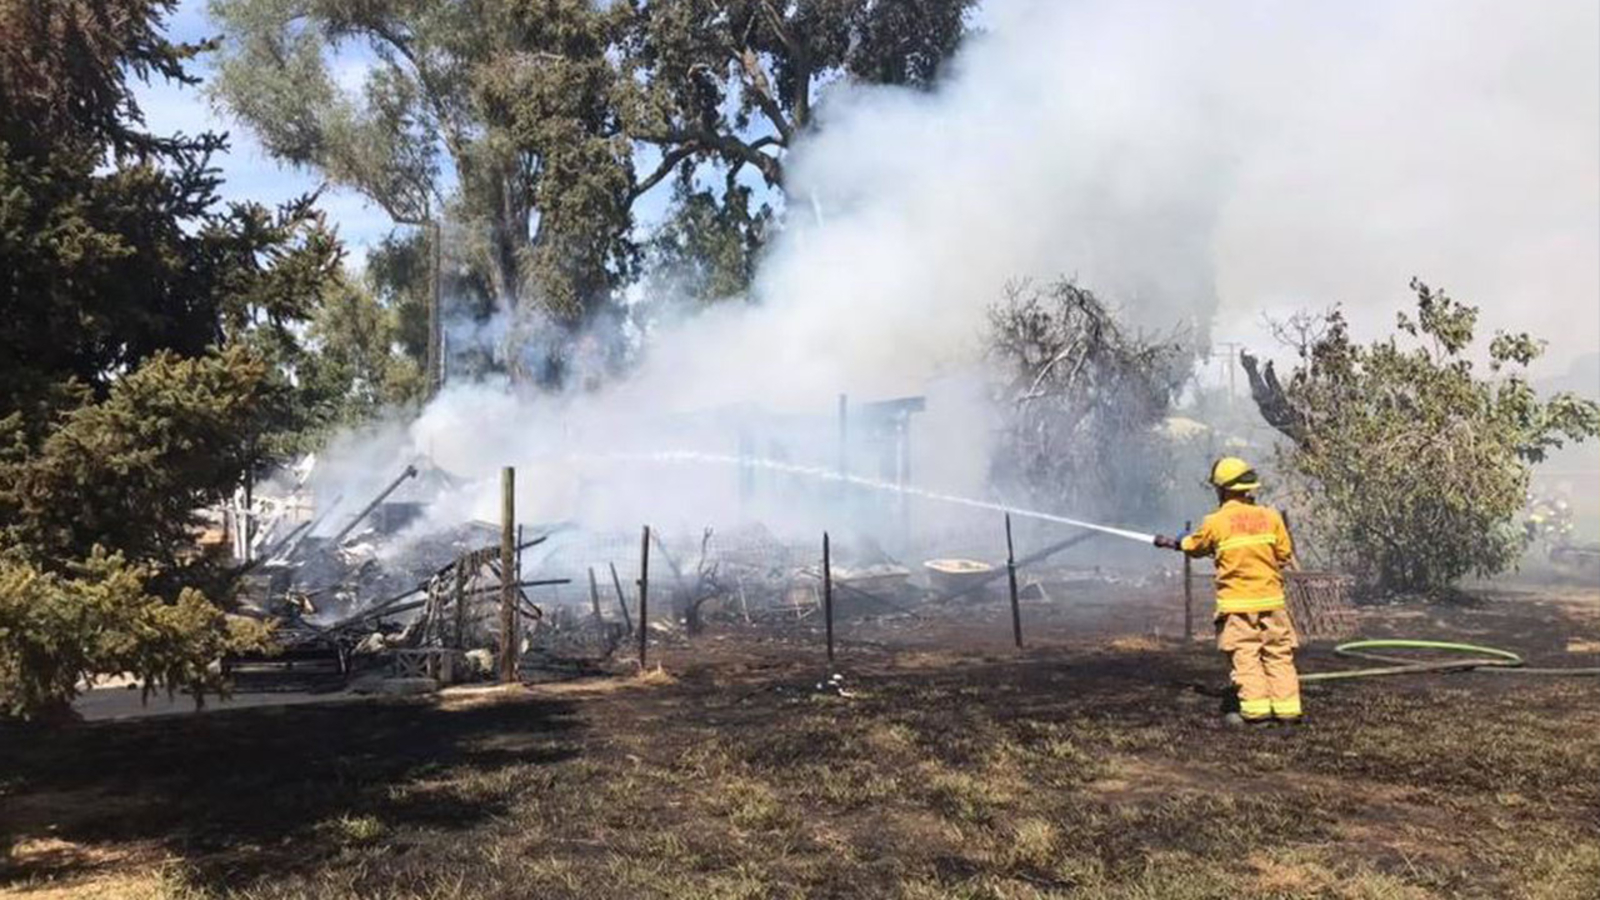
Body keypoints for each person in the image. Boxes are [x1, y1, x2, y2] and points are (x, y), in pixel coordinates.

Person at [1154, 458, 1301, 726]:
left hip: (1238, 606)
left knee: (1246, 656)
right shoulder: (1271, 517)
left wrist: (1172, 543)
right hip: (1273, 602)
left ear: (1221, 489)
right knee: (1278, 654)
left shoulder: (1216, 521)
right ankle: (1288, 711)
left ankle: (1257, 713)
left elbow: (1194, 546)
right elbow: (1284, 554)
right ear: (1248, 487)